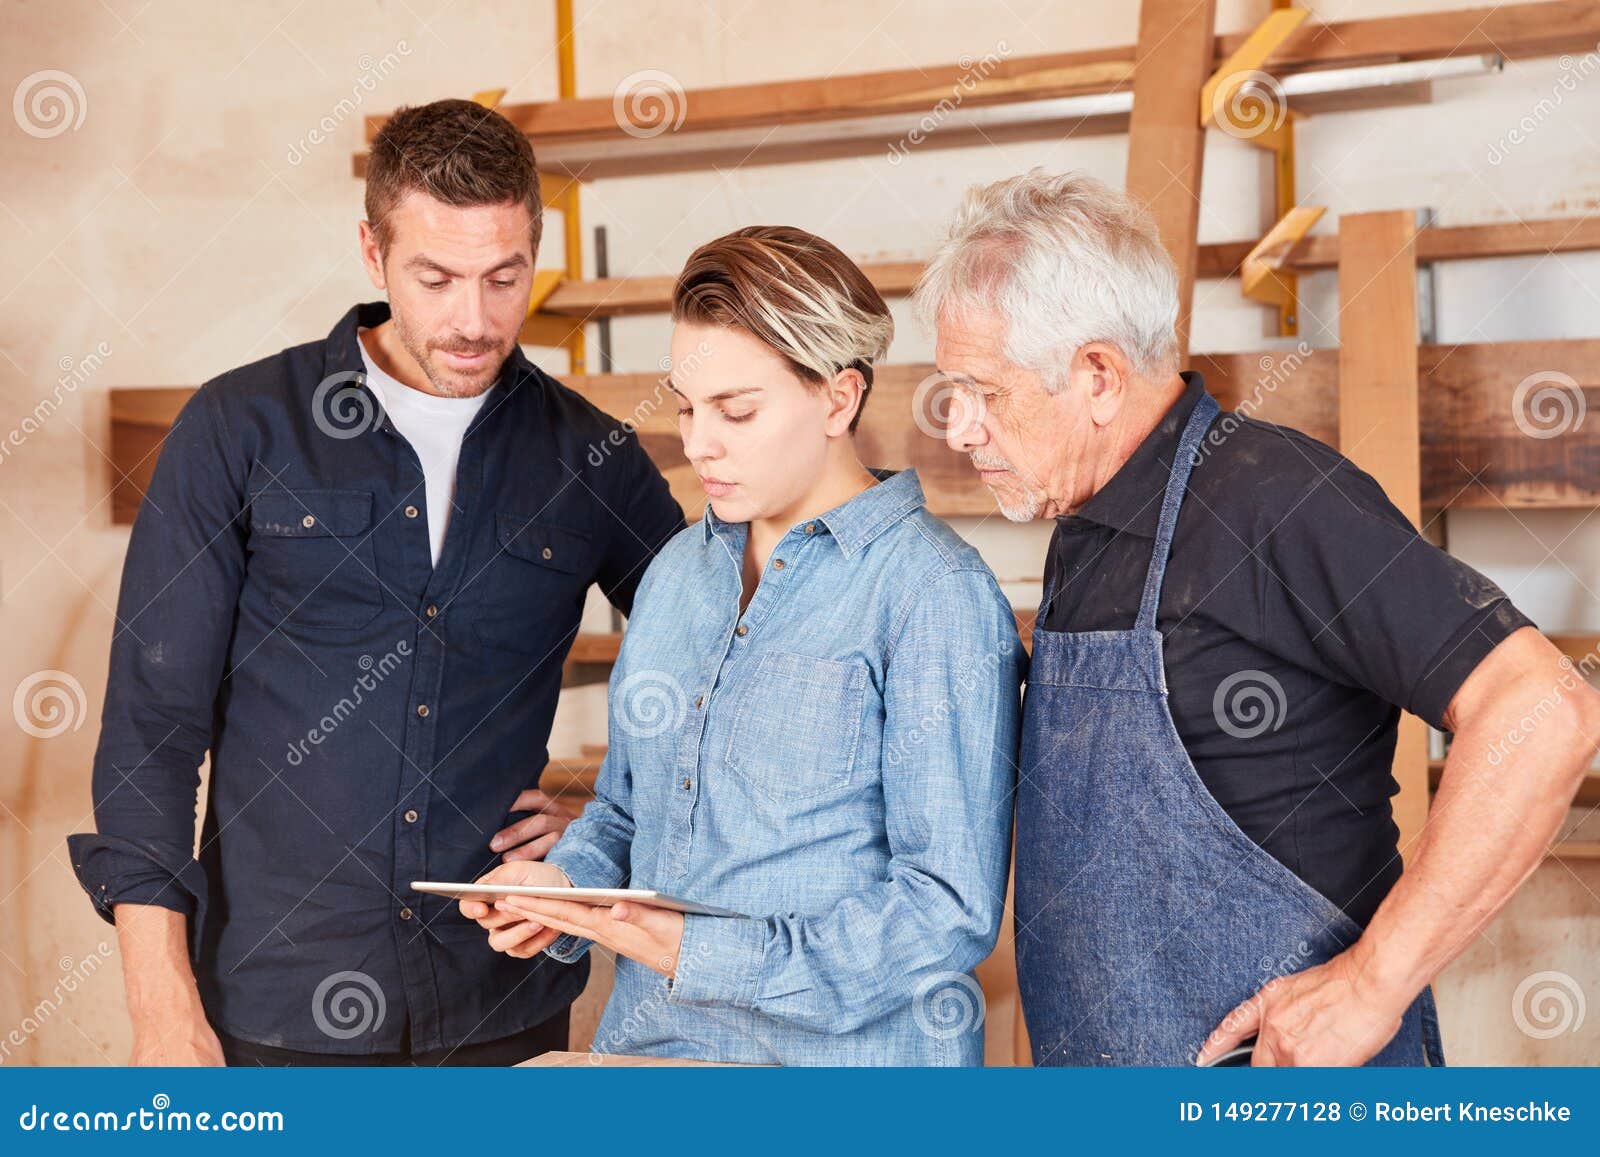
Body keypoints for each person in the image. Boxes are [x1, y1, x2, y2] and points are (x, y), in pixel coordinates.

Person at [915, 168, 1600, 1067]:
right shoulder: (1084, 527)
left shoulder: (1272, 498)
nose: (956, 428)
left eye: (983, 391)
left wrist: (1372, 984)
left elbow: (1543, 711)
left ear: (1097, 375)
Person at [67, 99, 684, 1066]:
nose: (473, 320)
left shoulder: (590, 457)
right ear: (372, 249)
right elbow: (152, 727)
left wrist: (614, 817)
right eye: (435, 278)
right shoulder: (239, 429)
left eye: (504, 277)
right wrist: (159, 1004)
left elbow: (725, 671)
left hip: (501, 1004)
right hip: (274, 1003)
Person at [463, 225, 1024, 1065]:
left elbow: (943, 908)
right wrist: (565, 889)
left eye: (737, 410)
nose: (698, 444)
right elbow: (625, 809)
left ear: (839, 399)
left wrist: (700, 952)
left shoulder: (933, 594)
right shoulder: (678, 573)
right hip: (650, 1054)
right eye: (688, 408)